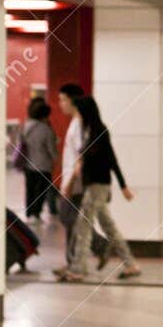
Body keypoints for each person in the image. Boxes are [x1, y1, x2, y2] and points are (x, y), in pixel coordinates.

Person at [59, 95, 139, 282]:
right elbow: (82, 162)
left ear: (86, 111)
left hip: (98, 185)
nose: (75, 113)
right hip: (92, 185)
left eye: (78, 109)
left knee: (82, 225)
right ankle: (131, 265)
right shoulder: (87, 131)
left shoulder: (99, 131)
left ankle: (78, 269)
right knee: (108, 227)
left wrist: (123, 186)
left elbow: (112, 160)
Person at [57, 82, 108, 270]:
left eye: (63, 100)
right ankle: (72, 262)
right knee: (71, 219)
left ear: (73, 101)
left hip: (76, 183)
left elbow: (81, 157)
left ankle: (100, 245)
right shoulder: (76, 122)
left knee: (70, 218)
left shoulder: (79, 125)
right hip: (73, 181)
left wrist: (70, 183)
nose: (60, 104)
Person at [17, 96, 58, 223]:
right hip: (43, 166)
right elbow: (52, 150)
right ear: (44, 115)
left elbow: (20, 142)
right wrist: (56, 157)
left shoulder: (25, 126)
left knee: (29, 189)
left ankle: (29, 213)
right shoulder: (46, 129)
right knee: (40, 192)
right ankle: (36, 214)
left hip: (28, 164)